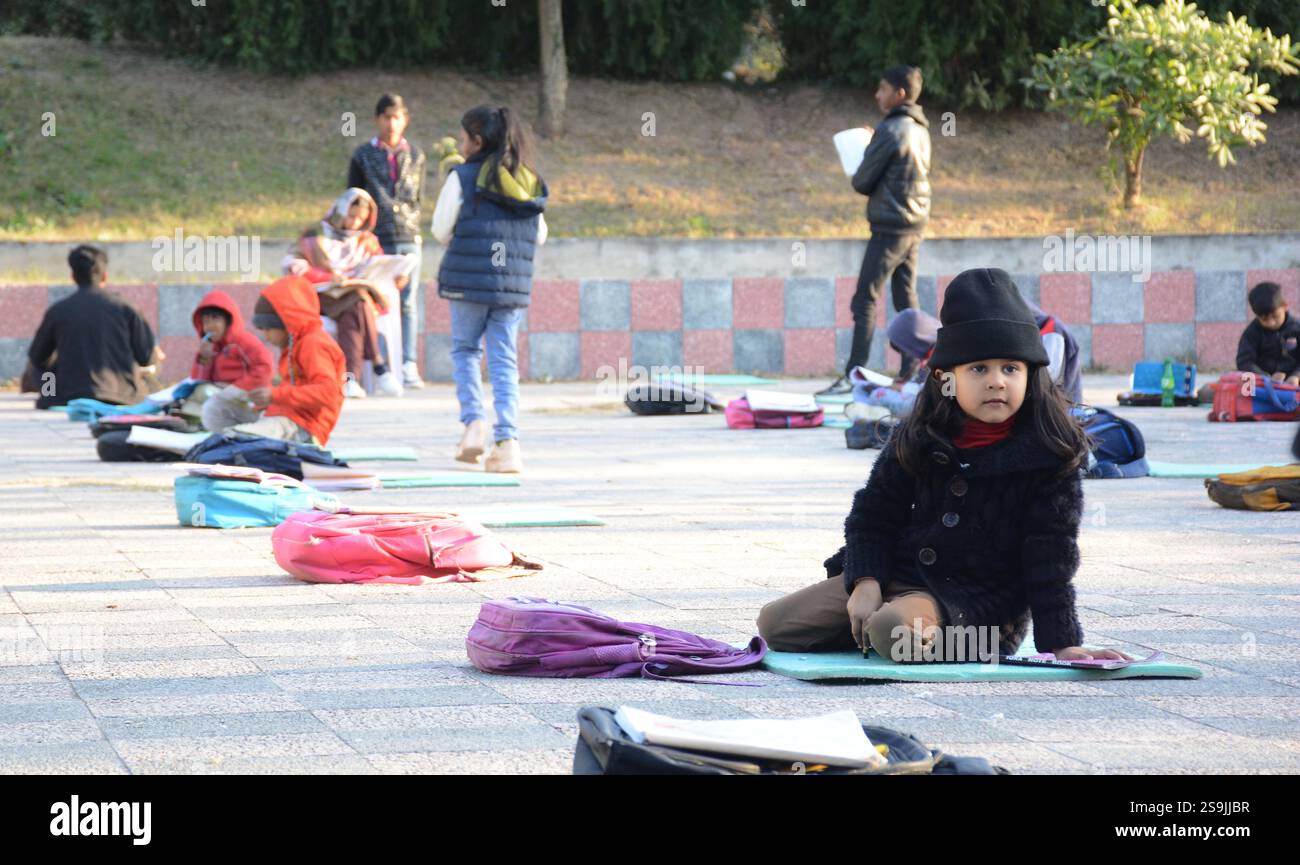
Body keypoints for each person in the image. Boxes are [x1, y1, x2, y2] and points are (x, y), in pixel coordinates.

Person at [758, 268, 1132, 664]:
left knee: (893, 631)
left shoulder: (1048, 454)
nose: (996, 382)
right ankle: (879, 624)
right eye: (978, 369)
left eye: (1010, 368)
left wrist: (1063, 643)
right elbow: (873, 514)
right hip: (897, 577)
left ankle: (904, 634)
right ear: (945, 378)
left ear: (1029, 376)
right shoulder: (920, 435)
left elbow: (1050, 556)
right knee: (777, 626)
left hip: (974, 608)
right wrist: (865, 581)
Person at [431, 105, 549, 474]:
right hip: (510, 286)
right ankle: (508, 442)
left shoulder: (462, 177)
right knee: (503, 360)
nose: (462, 144)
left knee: (466, 350)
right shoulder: (527, 179)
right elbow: (540, 234)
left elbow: (439, 229)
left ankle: (473, 425)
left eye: (464, 137)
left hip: (468, 282)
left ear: (477, 141)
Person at [820, 65, 931, 397]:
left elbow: (863, 180)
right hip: (915, 223)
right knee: (905, 299)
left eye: (882, 88)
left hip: (890, 225)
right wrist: (876, 143)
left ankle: (854, 373)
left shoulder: (892, 129)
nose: (877, 94)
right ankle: (912, 372)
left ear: (899, 93)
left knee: (864, 299)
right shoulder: (920, 128)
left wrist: (868, 147)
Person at [283, 188, 403, 398]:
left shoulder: (367, 240)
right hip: (323, 295)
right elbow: (293, 263)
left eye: (361, 218)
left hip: (356, 297)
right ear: (340, 210)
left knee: (357, 304)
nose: (355, 223)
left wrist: (396, 277)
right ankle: (379, 366)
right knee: (358, 302)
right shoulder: (315, 234)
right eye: (351, 216)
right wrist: (327, 276)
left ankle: (351, 378)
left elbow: (379, 266)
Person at [348, 93, 427, 390]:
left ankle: (408, 363)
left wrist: (411, 223)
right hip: (376, 239)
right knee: (372, 300)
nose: (392, 123)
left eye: (397, 117)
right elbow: (353, 199)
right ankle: (378, 367)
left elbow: (418, 198)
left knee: (408, 302)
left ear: (405, 119)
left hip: (409, 236)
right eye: (386, 117)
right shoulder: (362, 154)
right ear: (377, 119)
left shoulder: (416, 155)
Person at [28, 245, 160, 410]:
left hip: (65, 395)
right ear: (105, 276)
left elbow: (37, 357)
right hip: (122, 395)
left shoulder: (58, 310)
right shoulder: (127, 308)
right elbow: (146, 358)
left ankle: (49, 396)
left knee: (41, 370)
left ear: (73, 276)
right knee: (151, 373)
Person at [239, 275, 346, 446]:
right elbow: (296, 388)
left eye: (268, 329)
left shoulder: (313, 344)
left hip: (304, 428)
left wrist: (275, 395)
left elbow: (329, 393)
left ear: (286, 322)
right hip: (287, 418)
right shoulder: (294, 344)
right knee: (224, 420)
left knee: (235, 439)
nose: (266, 336)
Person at [188, 289, 274, 432]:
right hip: (219, 392)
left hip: (246, 396)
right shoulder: (211, 346)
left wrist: (237, 389)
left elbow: (264, 367)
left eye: (215, 319)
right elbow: (199, 379)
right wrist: (204, 359)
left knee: (205, 394)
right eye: (206, 321)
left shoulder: (244, 341)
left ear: (228, 321)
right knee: (196, 396)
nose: (210, 326)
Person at [1236, 281, 1300, 386]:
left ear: (1285, 306)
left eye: (1275, 316)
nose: (1271, 323)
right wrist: (1265, 377)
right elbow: (1244, 361)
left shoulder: (1297, 328)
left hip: (1294, 382)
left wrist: (1296, 376)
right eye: (1264, 319)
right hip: (1261, 383)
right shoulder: (1252, 332)